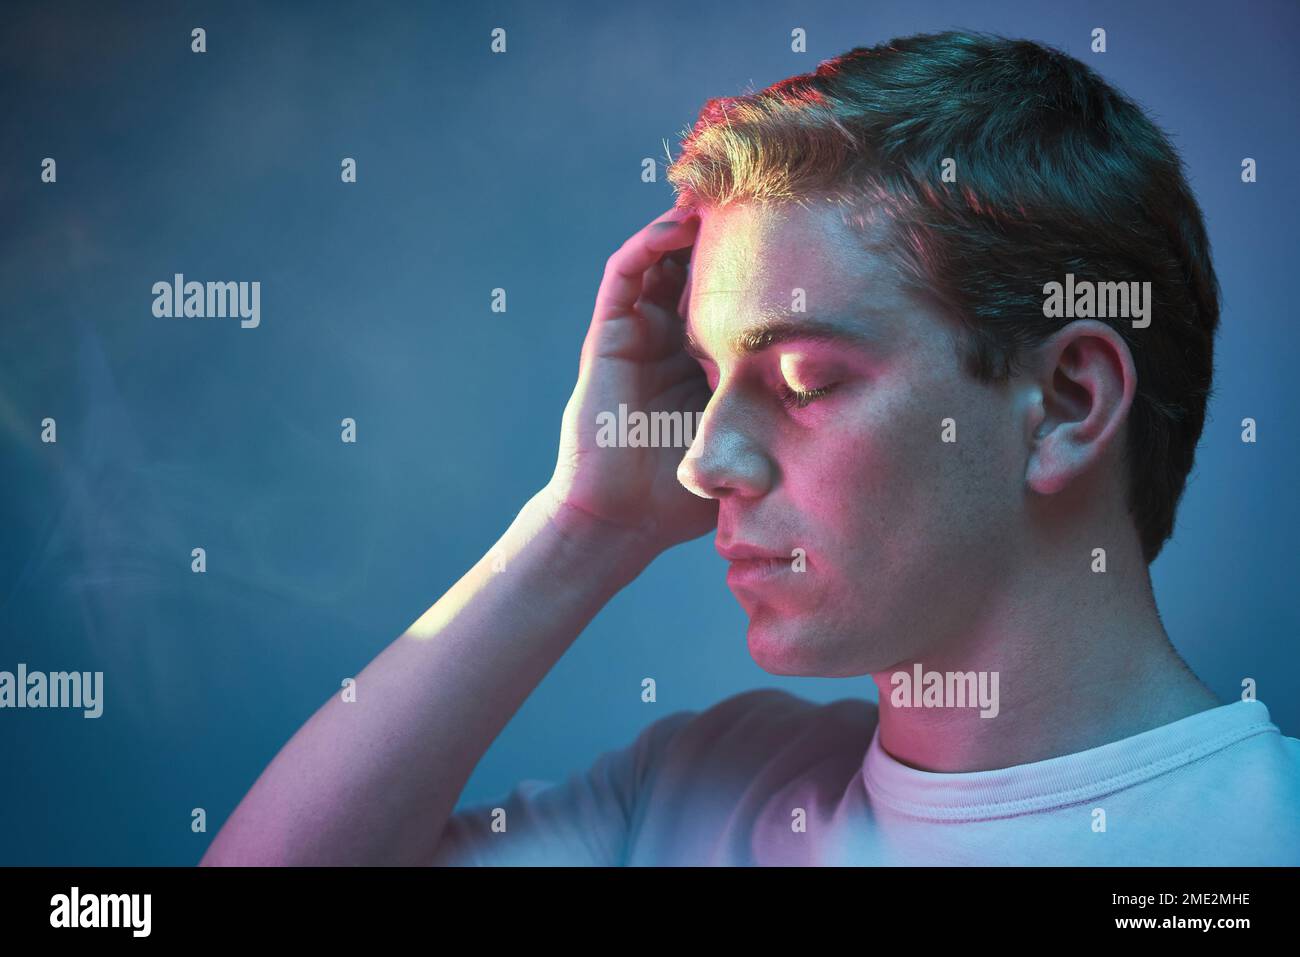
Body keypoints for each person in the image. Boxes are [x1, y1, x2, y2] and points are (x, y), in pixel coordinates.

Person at [200, 31, 1300, 866]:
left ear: (1064, 403)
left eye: (802, 380)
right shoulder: (693, 792)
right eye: (709, 376)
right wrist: (581, 528)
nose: (700, 460)